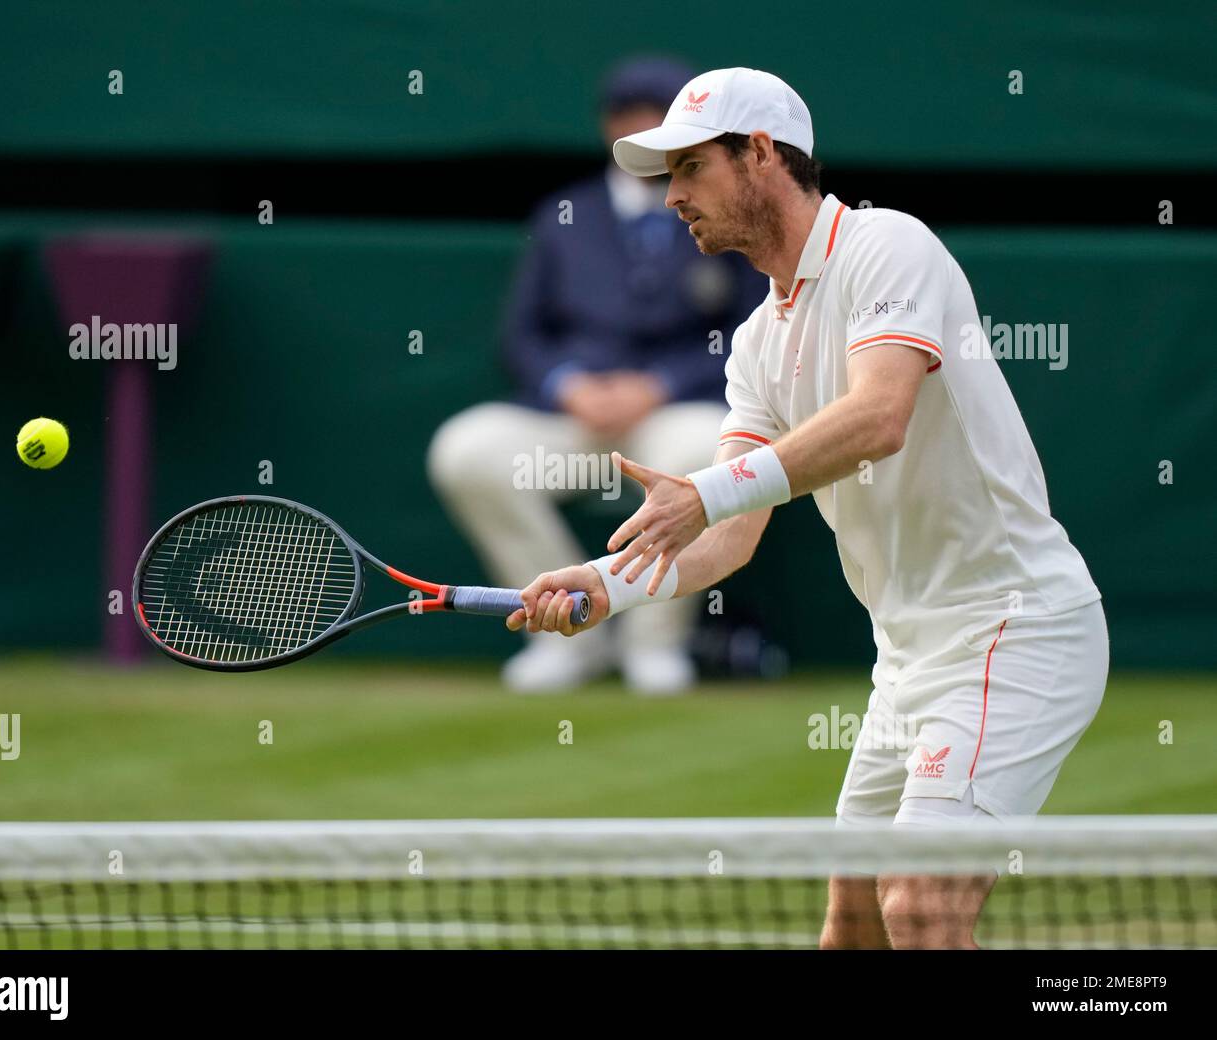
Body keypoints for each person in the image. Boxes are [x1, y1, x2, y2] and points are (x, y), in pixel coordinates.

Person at [506, 67, 1108, 949]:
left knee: (922, 910)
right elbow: (727, 541)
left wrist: (704, 494)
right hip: (906, 662)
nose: (671, 197)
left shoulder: (887, 246)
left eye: (689, 169)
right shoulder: (755, 343)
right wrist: (604, 588)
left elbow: (879, 418)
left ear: (759, 153)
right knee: (854, 926)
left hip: (1014, 633)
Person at [428, 57, 764, 696]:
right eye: (626, 114)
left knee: (706, 450)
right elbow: (521, 337)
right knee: (466, 449)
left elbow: (752, 331)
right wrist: (569, 385)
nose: (640, 125)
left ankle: (654, 643)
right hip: (571, 421)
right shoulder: (564, 213)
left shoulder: (724, 207)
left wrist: (657, 384)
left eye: (657, 113)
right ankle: (564, 628)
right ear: (608, 125)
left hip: (672, 413)